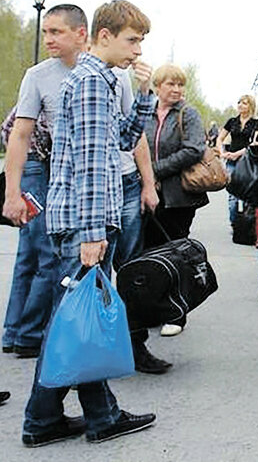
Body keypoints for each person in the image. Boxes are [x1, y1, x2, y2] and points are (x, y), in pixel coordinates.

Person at [22, 0, 157, 447]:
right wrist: (94, 233)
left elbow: (119, 139)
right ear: (104, 36)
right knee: (74, 324)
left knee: (77, 322)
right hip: (85, 222)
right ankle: (67, 419)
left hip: (80, 220)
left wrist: (144, 97)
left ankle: (66, 418)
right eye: (132, 40)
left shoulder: (95, 80)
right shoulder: (94, 84)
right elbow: (93, 165)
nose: (137, 50)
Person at [0, 5, 88, 359]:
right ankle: (26, 333)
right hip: (38, 166)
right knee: (41, 254)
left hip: (63, 171)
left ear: (81, 33)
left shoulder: (97, 73)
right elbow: (17, 134)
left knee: (35, 255)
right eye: (45, 32)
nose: (48, 39)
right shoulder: (37, 75)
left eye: (56, 32)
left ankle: (19, 331)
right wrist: (12, 192)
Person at [141, 64, 209, 337]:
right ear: (158, 86)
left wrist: (155, 171)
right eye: (171, 84)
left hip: (179, 197)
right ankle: (153, 308)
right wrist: (146, 177)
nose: (177, 90)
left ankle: (176, 314)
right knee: (147, 252)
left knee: (176, 253)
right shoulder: (144, 112)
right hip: (147, 194)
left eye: (180, 85)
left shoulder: (187, 113)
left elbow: (194, 149)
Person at [108, 65, 168, 374]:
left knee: (133, 272)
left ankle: (135, 346)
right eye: (133, 40)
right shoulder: (44, 76)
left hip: (127, 182)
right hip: (89, 191)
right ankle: (91, 355)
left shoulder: (119, 78)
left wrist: (147, 183)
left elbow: (135, 135)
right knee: (90, 278)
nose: (136, 52)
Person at [217, 95, 258, 235]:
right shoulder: (232, 121)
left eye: (245, 103)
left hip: (247, 161)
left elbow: (254, 143)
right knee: (232, 195)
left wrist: (238, 154)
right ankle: (234, 223)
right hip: (231, 161)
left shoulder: (255, 123)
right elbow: (220, 138)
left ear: (250, 106)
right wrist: (222, 152)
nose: (241, 105)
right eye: (239, 102)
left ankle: (246, 224)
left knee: (247, 194)